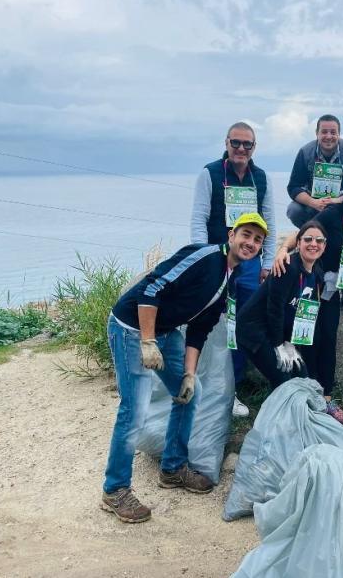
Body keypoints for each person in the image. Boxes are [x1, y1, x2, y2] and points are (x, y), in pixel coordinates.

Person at [102, 213, 268, 523]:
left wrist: (190, 374)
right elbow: (151, 287)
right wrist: (147, 341)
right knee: (134, 409)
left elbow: (199, 330)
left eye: (257, 240)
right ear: (231, 235)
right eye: (246, 234)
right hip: (131, 328)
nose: (250, 243)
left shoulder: (227, 279)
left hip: (165, 334)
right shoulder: (203, 256)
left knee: (189, 393)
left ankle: (173, 468)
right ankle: (115, 490)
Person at [272, 172, 343, 424]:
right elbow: (304, 232)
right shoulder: (332, 214)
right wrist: (283, 249)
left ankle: (326, 398)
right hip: (314, 282)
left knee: (329, 337)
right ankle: (306, 394)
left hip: (336, 288)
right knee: (308, 336)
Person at [190, 122, 276, 418]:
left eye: (247, 144)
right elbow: (199, 219)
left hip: (250, 263)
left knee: (244, 322)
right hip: (219, 258)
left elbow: (270, 222)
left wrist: (267, 263)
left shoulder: (261, 178)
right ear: (226, 143)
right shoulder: (210, 173)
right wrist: (203, 260)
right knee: (215, 323)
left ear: (254, 147)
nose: (241, 148)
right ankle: (206, 384)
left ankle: (233, 388)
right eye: (235, 143)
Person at [236, 220, 329, 392]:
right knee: (283, 379)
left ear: (324, 245)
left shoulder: (317, 275)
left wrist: (290, 343)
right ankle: (278, 409)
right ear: (298, 243)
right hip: (254, 328)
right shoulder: (287, 267)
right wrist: (279, 345)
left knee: (302, 376)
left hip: (278, 332)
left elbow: (303, 313)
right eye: (308, 239)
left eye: (319, 240)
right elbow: (275, 308)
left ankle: (302, 408)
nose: (313, 244)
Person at [286, 114, 343, 228]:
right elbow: (293, 187)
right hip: (313, 204)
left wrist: (336, 200)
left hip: (341, 204)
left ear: (339, 134)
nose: (328, 136)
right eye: (324, 132)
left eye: (333, 132)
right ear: (317, 133)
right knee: (293, 209)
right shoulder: (305, 152)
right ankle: (309, 232)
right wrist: (313, 202)